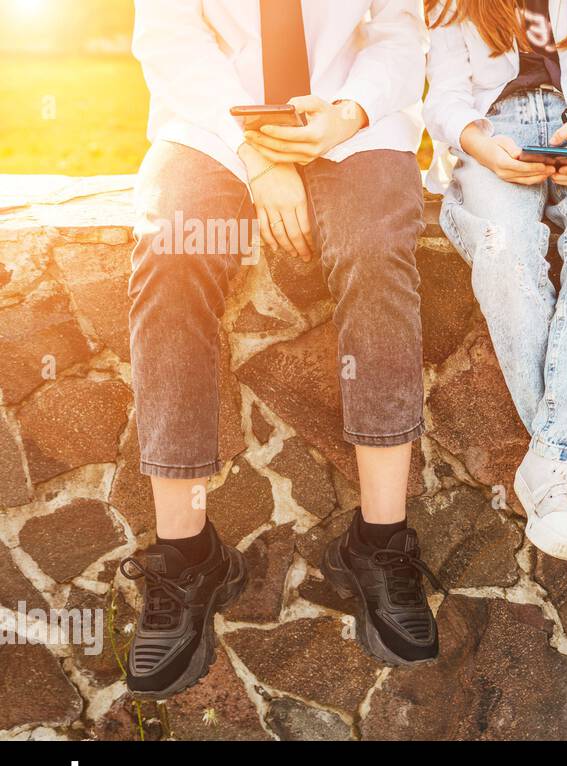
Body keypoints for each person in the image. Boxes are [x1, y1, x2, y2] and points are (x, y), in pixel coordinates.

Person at [124, 0, 436, 695]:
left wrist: (348, 113)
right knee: (171, 254)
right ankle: (187, 555)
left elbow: (398, 30)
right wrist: (254, 158)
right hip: (211, 131)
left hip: (353, 126)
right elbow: (169, 35)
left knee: (376, 250)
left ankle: (380, 543)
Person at [425, 0, 567, 566]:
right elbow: (445, 93)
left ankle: (552, 464)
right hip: (493, 131)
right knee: (501, 246)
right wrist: (480, 145)